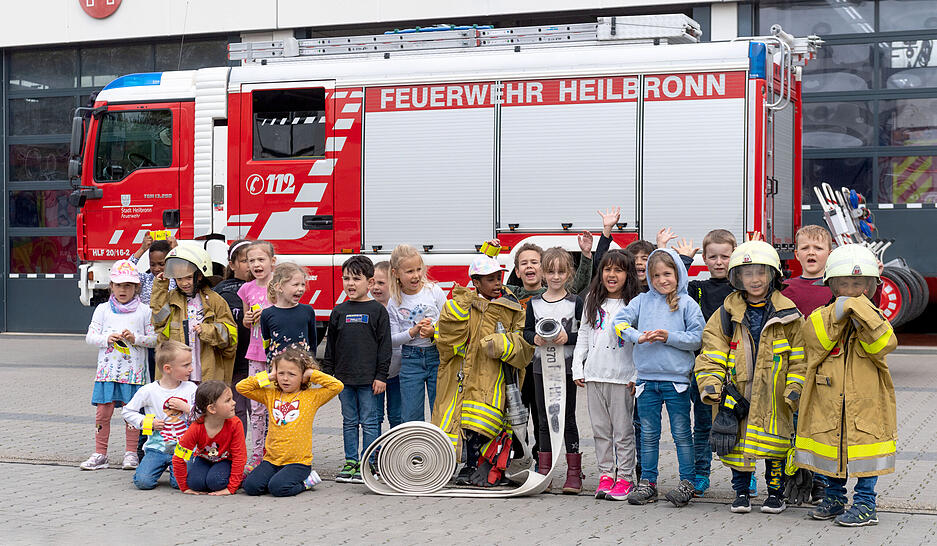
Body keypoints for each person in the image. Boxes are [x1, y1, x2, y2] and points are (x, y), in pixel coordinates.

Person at [694, 240, 806, 514]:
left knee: (775, 445)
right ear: (737, 278)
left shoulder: (789, 314)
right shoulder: (725, 313)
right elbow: (712, 351)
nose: (754, 280)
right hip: (737, 393)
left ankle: (775, 495)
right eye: (748, 273)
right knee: (736, 446)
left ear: (773, 275)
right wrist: (710, 384)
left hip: (774, 394)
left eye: (761, 273)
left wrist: (795, 387)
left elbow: (801, 358)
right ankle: (741, 493)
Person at [797, 244, 897, 527]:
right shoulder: (822, 315)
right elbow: (815, 341)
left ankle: (866, 505)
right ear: (832, 285)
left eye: (858, 284)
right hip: (829, 400)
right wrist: (839, 313)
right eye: (844, 284)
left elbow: (884, 344)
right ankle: (835, 498)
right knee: (832, 447)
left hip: (865, 403)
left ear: (870, 286)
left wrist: (858, 309)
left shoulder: (874, 317)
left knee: (865, 452)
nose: (851, 290)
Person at [612, 248, 704, 507]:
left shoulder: (687, 304)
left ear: (678, 273)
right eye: (656, 275)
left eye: (667, 274)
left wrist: (669, 337)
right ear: (649, 278)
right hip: (646, 382)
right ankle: (648, 483)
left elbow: (698, 338)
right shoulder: (641, 301)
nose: (662, 280)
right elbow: (618, 323)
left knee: (682, 434)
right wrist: (636, 336)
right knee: (649, 434)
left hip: (677, 382)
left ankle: (687, 482)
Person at [433, 255, 534, 487]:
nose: (498, 283)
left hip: (495, 375)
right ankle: (468, 465)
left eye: (499, 277)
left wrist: (502, 344)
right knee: (464, 423)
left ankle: (486, 464)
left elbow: (524, 345)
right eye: (490, 279)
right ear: (476, 282)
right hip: (463, 376)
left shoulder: (512, 307)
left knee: (487, 422)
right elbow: (447, 340)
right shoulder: (461, 305)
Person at [662, 228, 738, 497]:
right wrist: (682, 259)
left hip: (737, 370)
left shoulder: (740, 289)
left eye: (726, 256)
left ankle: (744, 477)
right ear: (704, 258)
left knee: (739, 422)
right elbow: (674, 289)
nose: (719, 262)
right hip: (702, 369)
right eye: (713, 256)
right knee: (703, 423)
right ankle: (700, 474)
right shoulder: (698, 289)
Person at [572, 250, 640, 501]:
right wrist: (578, 368)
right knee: (600, 431)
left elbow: (641, 345)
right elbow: (584, 336)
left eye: (619, 270)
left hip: (622, 378)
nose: (612, 275)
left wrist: (636, 374)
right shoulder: (592, 299)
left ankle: (624, 478)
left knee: (622, 432)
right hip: (594, 376)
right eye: (607, 269)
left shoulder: (635, 303)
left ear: (628, 274)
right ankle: (605, 475)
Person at [81, 259, 158, 471]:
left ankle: (131, 453)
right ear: (111, 286)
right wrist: (107, 338)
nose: (123, 290)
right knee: (102, 414)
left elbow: (155, 339)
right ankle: (100, 453)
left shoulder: (144, 311)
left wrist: (136, 339)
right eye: (118, 285)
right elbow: (90, 337)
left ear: (136, 288)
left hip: (134, 374)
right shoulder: (103, 310)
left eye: (128, 286)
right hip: (106, 373)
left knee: (131, 414)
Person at [322, 255, 392, 484]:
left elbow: (385, 346)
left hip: (370, 381)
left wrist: (381, 376)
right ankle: (351, 461)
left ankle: (368, 461)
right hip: (344, 380)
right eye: (346, 279)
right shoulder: (338, 311)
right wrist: (327, 376)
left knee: (371, 422)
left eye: (356, 279)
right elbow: (330, 346)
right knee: (349, 421)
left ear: (370, 283)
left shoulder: (378, 311)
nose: (350, 284)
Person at [236, 346, 343, 497]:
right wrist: (270, 376)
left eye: (292, 374)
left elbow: (337, 386)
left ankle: (306, 482)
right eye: (281, 373)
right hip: (272, 461)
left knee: (278, 489)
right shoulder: (271, 394)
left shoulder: (312, 397)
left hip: (298, 463)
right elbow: (242, 387)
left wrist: (312, 374)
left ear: (302, 376)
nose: (285, 378)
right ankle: (276, 478)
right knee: (251, 487)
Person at [523, 247, 584, 493]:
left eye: (561, 271)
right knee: (543, 420)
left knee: (567, 418)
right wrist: (534, 339)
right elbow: (526, 331)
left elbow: (584, 335)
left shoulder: (574, 302)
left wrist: (566, 337)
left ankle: (573, 474)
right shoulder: (535, 303)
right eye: (550, 271)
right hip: (540, 369)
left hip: (566, 369)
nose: (556, 277)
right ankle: (544, 471)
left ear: (569, 273)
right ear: (543, 273)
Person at [150, 245, 238, 383]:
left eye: (188, 277)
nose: (184, 283)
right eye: (179, 279)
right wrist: (160, 288)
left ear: (200, 276)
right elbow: (158, 322)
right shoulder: (170, 299)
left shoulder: (215, 300)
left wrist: (208, 330)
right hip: (176, 371)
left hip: (205, 370)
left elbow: (231, 335)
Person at [121, 340, 198, 490]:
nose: (191, 368)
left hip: (183, 450)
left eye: (190, 364)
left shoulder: (191, 388)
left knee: (180, 484)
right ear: (168, 368)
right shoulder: (149, 390)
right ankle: (159, 467)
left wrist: (187, 408)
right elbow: (127, 411)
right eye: (185, 365)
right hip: (156, 448)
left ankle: (175, 470)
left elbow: (201, 416)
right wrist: (146, 422)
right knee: (143, 482)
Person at [386, 244, 447, 422]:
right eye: (409, 271)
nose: (416, 275)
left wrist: (434, 332)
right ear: (396, 273)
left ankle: (442, 449)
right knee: (411, 416)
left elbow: (450, 323)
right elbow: (392, 340)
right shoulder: (394, 301)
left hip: (437, 356)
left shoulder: (433, 291)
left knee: (441, 411)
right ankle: (416, 449)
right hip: (410, 360)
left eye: (418, 269)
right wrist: (412, 332)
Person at [238, 240, 276, 470]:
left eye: (261, 259)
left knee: (276, 405)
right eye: (251, 260)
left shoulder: (279, 286)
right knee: (257, 408)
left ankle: (274, 451)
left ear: (273, 261)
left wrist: (269, 313)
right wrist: (248, 319)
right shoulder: (246, 289)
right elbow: (244, 319)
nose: (255, 264)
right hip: (255, 356)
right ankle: (256, 454)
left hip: (276, 356)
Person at [171, 380, 247, 495]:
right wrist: (185, 487)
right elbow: (178, 457)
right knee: (195, 484)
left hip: (226, 460)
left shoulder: (235, 424)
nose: (234, 403)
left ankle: (243, 475)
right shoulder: (196, 427)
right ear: (212, 409)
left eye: (232, 398)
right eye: (228, 400)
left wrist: (231, 488)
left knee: (216, 482)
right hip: (204, 459)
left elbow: (239, 456)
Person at [212, 240, 254, 437]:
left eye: (255, 260)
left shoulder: (269, 288)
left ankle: (261, 454)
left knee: (259, 410)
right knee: (236, 409)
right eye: (245, 260)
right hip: (232, 361)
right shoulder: (221, 291)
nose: (251, 265)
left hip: (258, 361)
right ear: (232, 264)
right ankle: (237, 452)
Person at [129, 232, 177, 382]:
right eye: (152, 264)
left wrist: (176, 250)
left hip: (168, 337)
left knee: (166, 372)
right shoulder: (145, 279)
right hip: (147, 335)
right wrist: (142, 249)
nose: (156, 268)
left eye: (161, 263)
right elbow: (126, 268)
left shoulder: (176, 279)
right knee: (149, 373)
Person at [260, 262, 318, 359]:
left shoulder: (308, 311)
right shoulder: (267, 314)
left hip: (302, 367)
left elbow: (313, 341)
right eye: (295, 285)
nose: (301, 289)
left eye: (303, 284)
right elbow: (266, 342)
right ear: (279, 287)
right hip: (277, 368)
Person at [372, 261, 402, 430]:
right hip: (375, 374)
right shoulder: (369, 309)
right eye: (373, 282)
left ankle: (396, 451)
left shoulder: (399, 307)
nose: (375, 287)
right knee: (375, 416)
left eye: (381, 283)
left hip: (398, 372)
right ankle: (375, 452)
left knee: (397, 415)